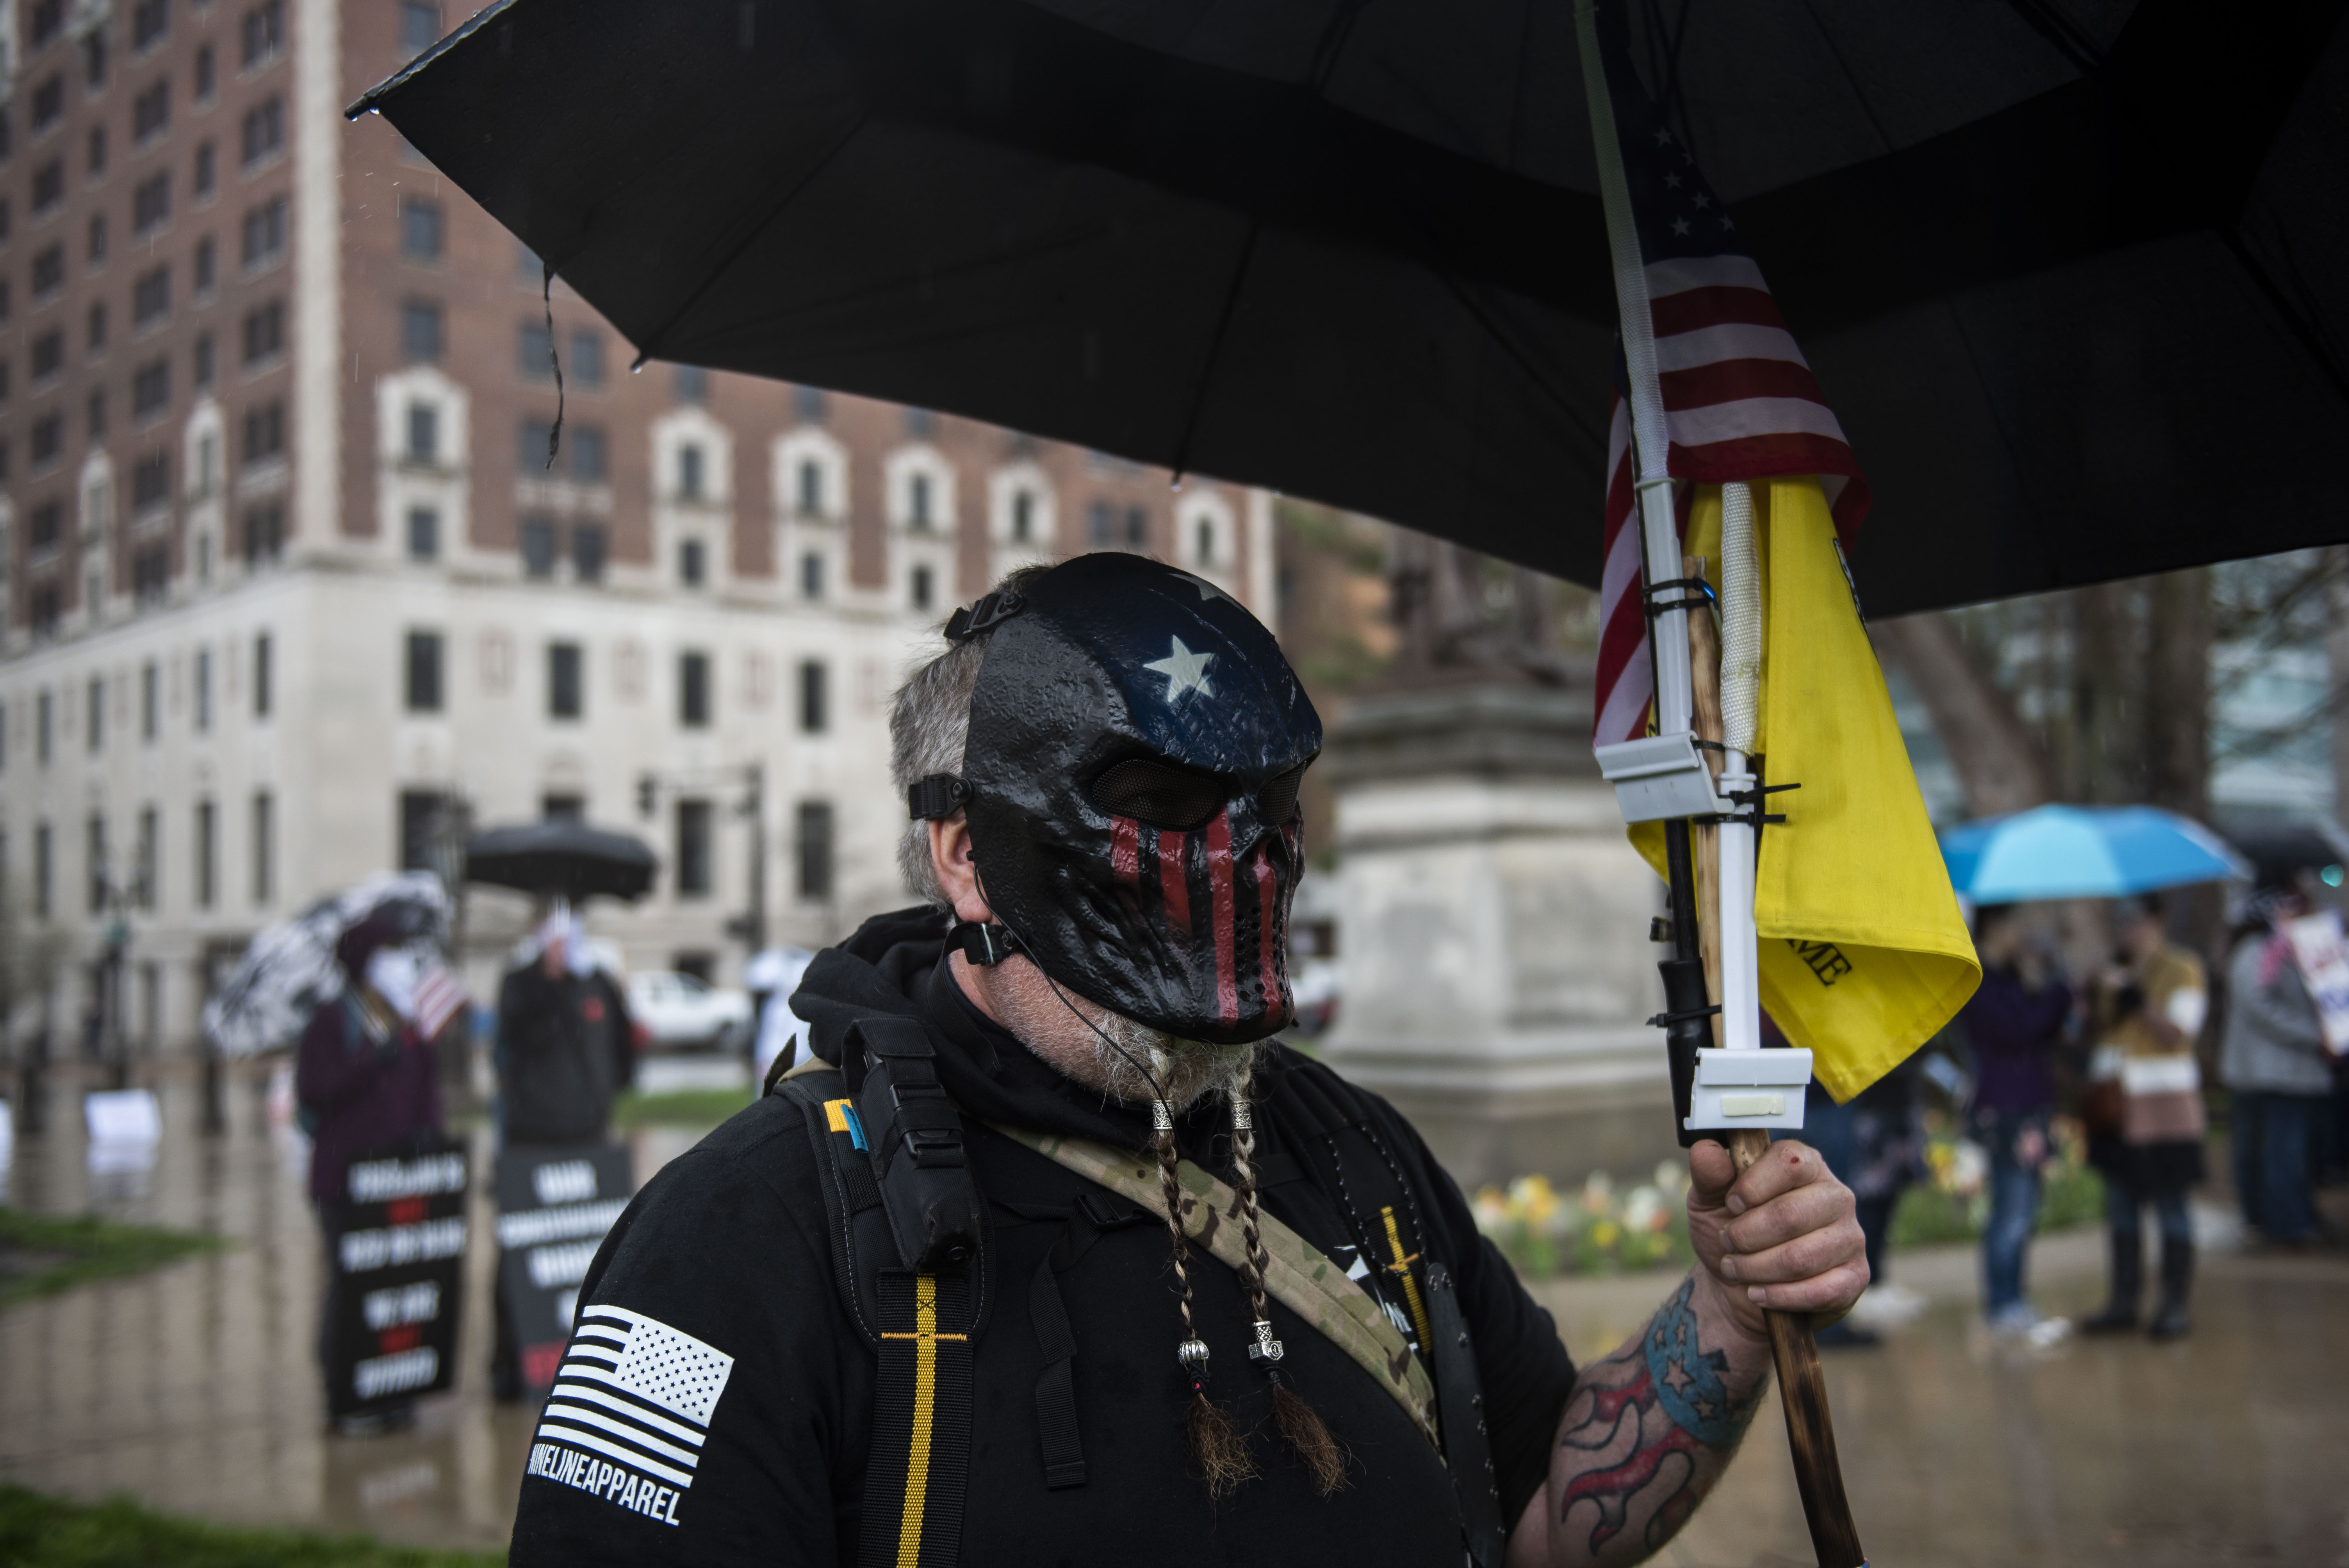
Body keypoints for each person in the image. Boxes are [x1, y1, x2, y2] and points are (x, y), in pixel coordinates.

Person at [506, 556, 1867, 1566]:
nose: (1227, 859)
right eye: (1155, 808)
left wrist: (1730, 1310)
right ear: (965, 848)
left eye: (1261, 810)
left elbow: (1537, 1510)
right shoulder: (748, 1236)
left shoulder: (1355, 1154)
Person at [295, 910, 452, 1435]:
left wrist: (429, 1138)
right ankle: (339, 1390)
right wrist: (370, 1062)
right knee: (351, 1283)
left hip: (402, 1181)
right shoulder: (331, 1023)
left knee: (398, 1285)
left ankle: (394, 1394)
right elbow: (314, 1094)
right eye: (387, 953)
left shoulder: (410, 1024)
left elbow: (428, 1094)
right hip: (345, 1184)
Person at [492, 906, 638, 1399]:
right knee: (522, 1261)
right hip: (532, 1141)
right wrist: (549, 983)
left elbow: (624, 1055)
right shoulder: (521, 984)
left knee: (594, 1255)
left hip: (590, 1139)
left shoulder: (598, 983)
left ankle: (586, 1362)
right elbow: (510, 1042)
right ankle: (511, 1368)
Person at [2080, 896, 2208, 1338]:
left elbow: (2179, 1034)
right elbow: (2094, 1034)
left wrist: (2137, 999)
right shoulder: (2109, 970)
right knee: (2121, 1207)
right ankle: (2123, 1302)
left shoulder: (2181, 967)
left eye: (2133, 921)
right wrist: (2095, 995)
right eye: (2118, 921)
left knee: (2171, 1205)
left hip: (2164, 1109)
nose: (2124, 930)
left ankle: (2173, 1304)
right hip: (2114, 1109)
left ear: (2157, 920)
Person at [1957, 903, 2074, 1337]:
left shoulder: (2010, 978)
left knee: (2022, 1208)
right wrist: (2058, 992)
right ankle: (2003, 1304)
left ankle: (2012, 1300)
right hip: (2003, 1110)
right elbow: (2019, 1030)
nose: (2022, 936)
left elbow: (2044, 1032)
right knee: (2011, 1209)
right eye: (2015, 928)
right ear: (1994, 928)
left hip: (2028, 1105)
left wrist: (2041, 981)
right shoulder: (1978, 981)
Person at [2219, 875, 2333, 1247]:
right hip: (2271, 1070)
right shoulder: (2259, 951)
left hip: (2291, 1070)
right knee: (2278, 1149)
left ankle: (2284, 1217)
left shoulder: (2303, 949)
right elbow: (2259, 1006)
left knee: (2283, 1148)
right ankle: (2283, 1222)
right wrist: (2316, 1036)